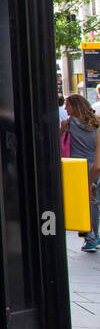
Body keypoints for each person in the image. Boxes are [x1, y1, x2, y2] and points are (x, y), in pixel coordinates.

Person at [62, 94, 100, 252]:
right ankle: (94, 235)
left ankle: (90, 237)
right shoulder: (96, 123)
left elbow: (57, 142)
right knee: (93, 202)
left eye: (67, 105)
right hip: (95, 165)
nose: (65, 108)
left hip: (77, 167)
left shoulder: (68, 124)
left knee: (84, 203)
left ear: (75, 106)